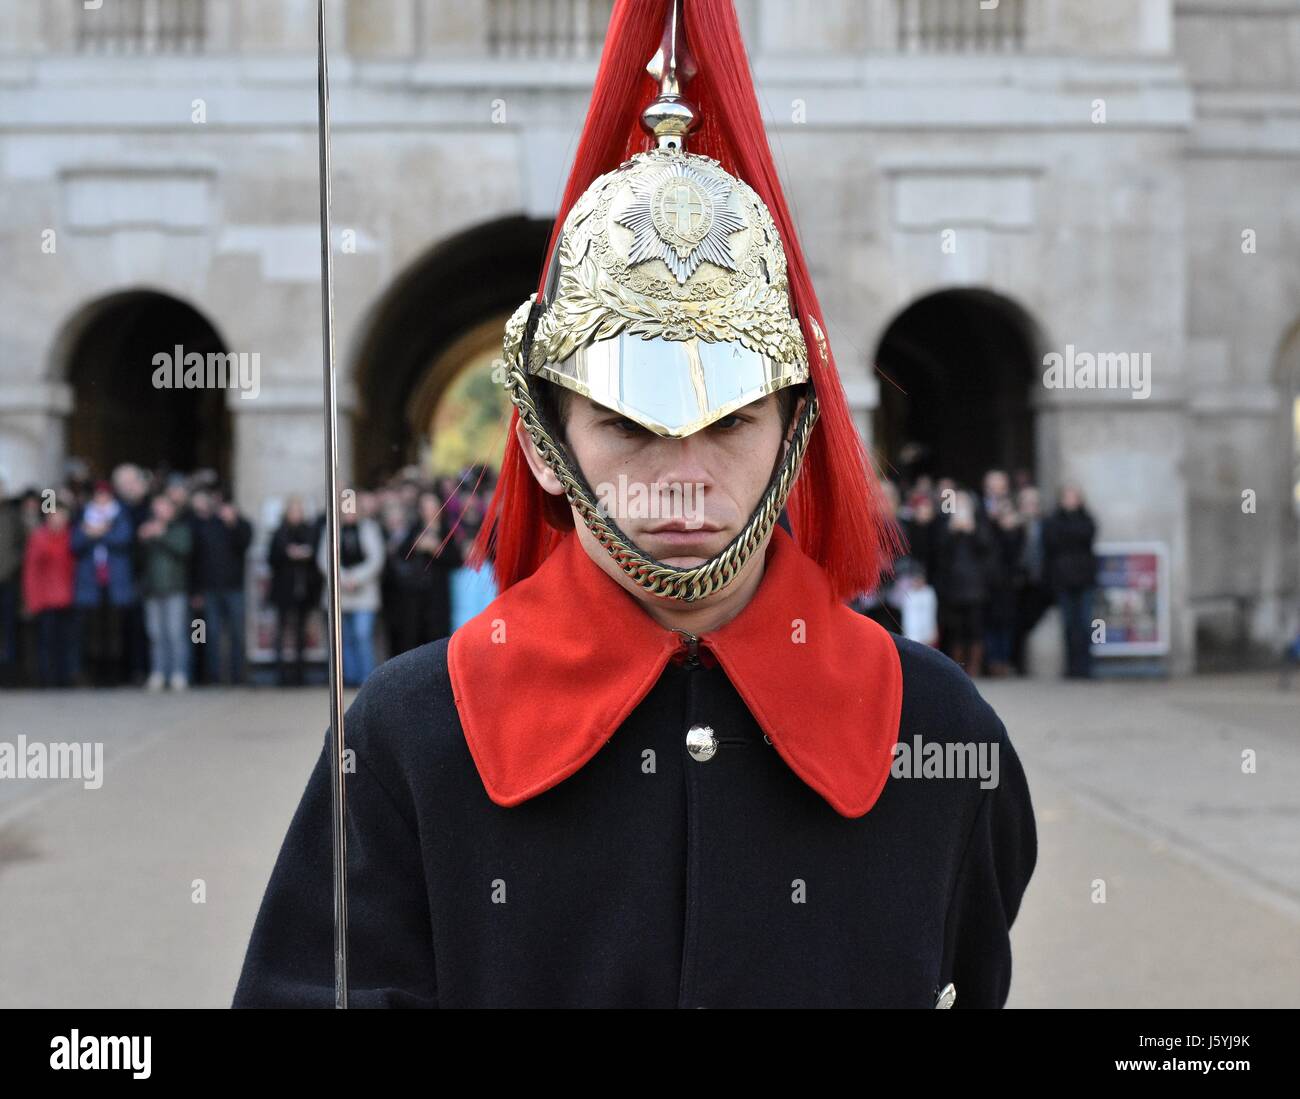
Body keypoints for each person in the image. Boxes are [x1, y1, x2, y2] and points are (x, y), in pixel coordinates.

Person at [234, 0, 1035, 1009]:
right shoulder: (405, 735)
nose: (681, 474)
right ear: (544, 443)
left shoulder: (940, 727)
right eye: (628, 424)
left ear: (794, 431)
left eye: (730, 420)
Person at [70, 480, 135, 686]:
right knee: (93, 629)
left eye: (105, 495)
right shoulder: (84, 514)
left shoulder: (121, 515)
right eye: (98, 495)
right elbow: (75, 544)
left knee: (115, 628)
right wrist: (99, 532)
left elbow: (124, 539)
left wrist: (98, 532)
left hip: (115, 582)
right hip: (91, 582)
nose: (101, 499)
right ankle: (95, 673)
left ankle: (114, 673)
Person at [316, 492, 384, 687]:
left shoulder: (370, 528)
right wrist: (343, 578)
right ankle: (348, 677)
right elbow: (324, 559)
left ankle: (367, 679)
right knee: (343, 638)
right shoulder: (331, 528)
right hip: (340, 594)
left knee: (362, 635)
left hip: (364, 594)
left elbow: (376, 559)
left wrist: (356, 577)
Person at [190, 491, 253, 686]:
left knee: (237, 633)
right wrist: (196, 590)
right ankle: (214, 676)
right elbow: (196, 559)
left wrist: (233, 524)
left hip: (234, 588)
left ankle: (238, 676)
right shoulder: (206, 525)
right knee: (208, 634)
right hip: (210, 589)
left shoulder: (242, 525)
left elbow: (244, 544)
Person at [137, 493, 194, 691]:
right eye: (156, 507)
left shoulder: (180, 529)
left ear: (171, 510)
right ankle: (158, 672)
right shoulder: (147, 528)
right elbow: (139, 561)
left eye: (162, 507)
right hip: (152, 590)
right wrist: (142, 539)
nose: (158, 511)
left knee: (175, 633)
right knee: (155, 634)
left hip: (175, 589)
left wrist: (161, 536)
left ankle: (179, 672)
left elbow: (184, 550)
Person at [1043, 483, 1099, 679]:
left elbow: (1086, 535)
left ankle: (1086, 666)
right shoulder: (1054, 520)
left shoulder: (1086, 519)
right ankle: (1071, 667)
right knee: (1068, 625)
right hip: (1063, 579)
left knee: (1085, 624)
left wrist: (1069, 532)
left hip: (1084, 579)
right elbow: (1052, 541)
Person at [267, 497, 321, 686]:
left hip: (303, 589)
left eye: (298, 511)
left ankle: (299, 673)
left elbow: (316, 556)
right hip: (283, 590)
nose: (296, 515)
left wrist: (305, 554)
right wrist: (286, 553)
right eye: (293, 511)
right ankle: (280, 673)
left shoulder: (309, 531)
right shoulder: (279, 532)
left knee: (300, 632)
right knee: (281, 631)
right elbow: (271, 558)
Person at [22, 502, 76, 688]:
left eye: (62, 516)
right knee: (47, 641)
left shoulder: (72, 536)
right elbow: (32, 571)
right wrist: (32, 599)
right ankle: (48, 678)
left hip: (68, 597)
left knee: (66, 640)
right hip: (46, 599)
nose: (58, 520)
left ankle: (64, 677)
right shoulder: (39, 537)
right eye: (54, 515)